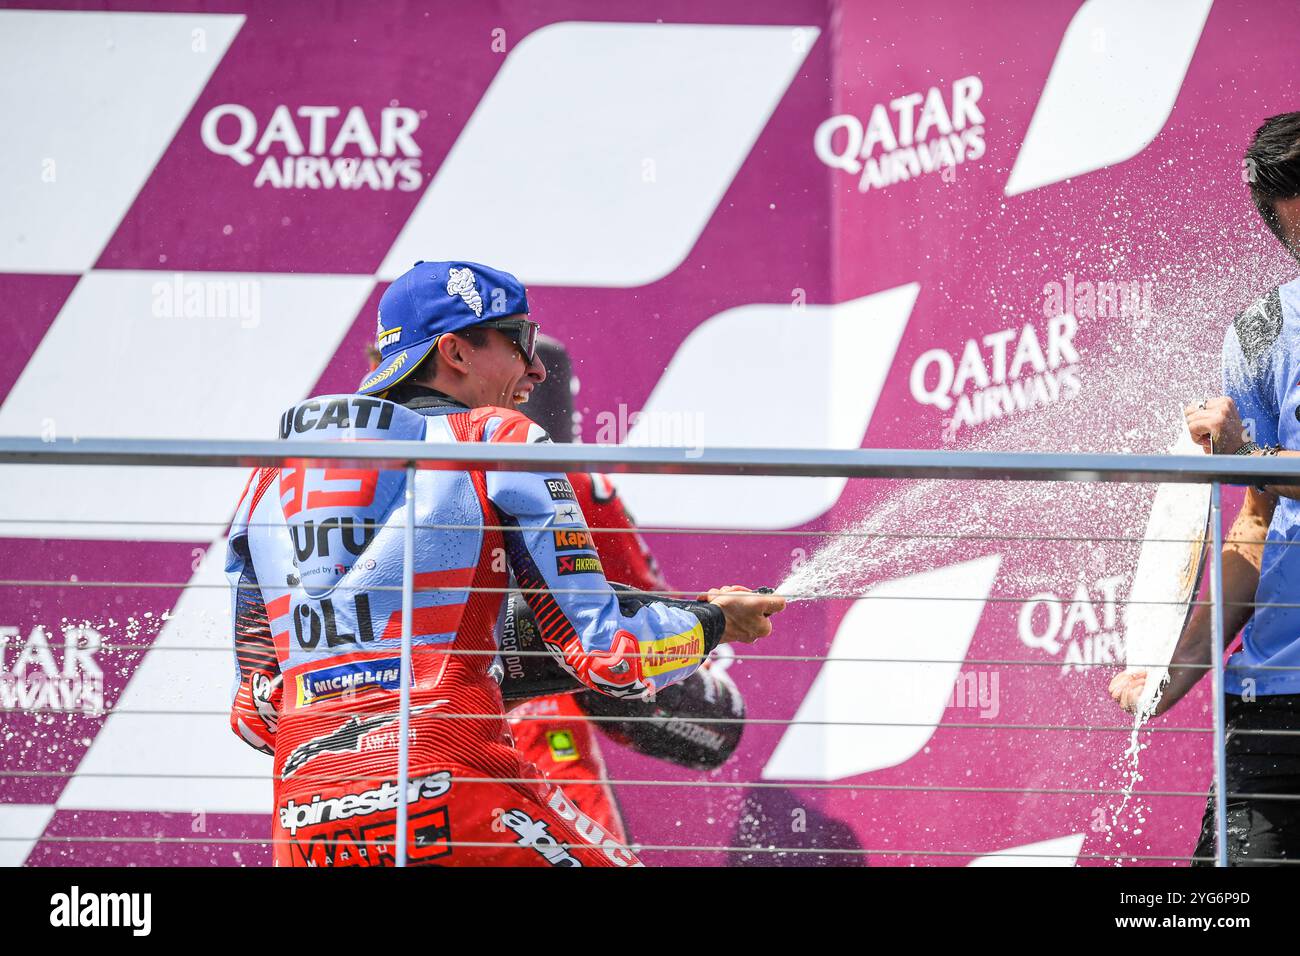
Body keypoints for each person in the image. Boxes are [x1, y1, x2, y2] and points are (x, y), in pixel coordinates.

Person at [226, 259, 783, 867]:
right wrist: (711, 622)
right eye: (520, 340)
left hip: (308, 818)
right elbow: (610, 656)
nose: (537, 368)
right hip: (459, 791)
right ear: (456, 352)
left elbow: (257, 714)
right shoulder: (497, 439)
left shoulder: (270, 475)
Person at [1109, 113, 1300, 864]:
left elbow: (1259, 466)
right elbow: (1256, 526)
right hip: (1273, 702)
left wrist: (1247, 451)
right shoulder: (1259, 331)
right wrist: (1173, 670)